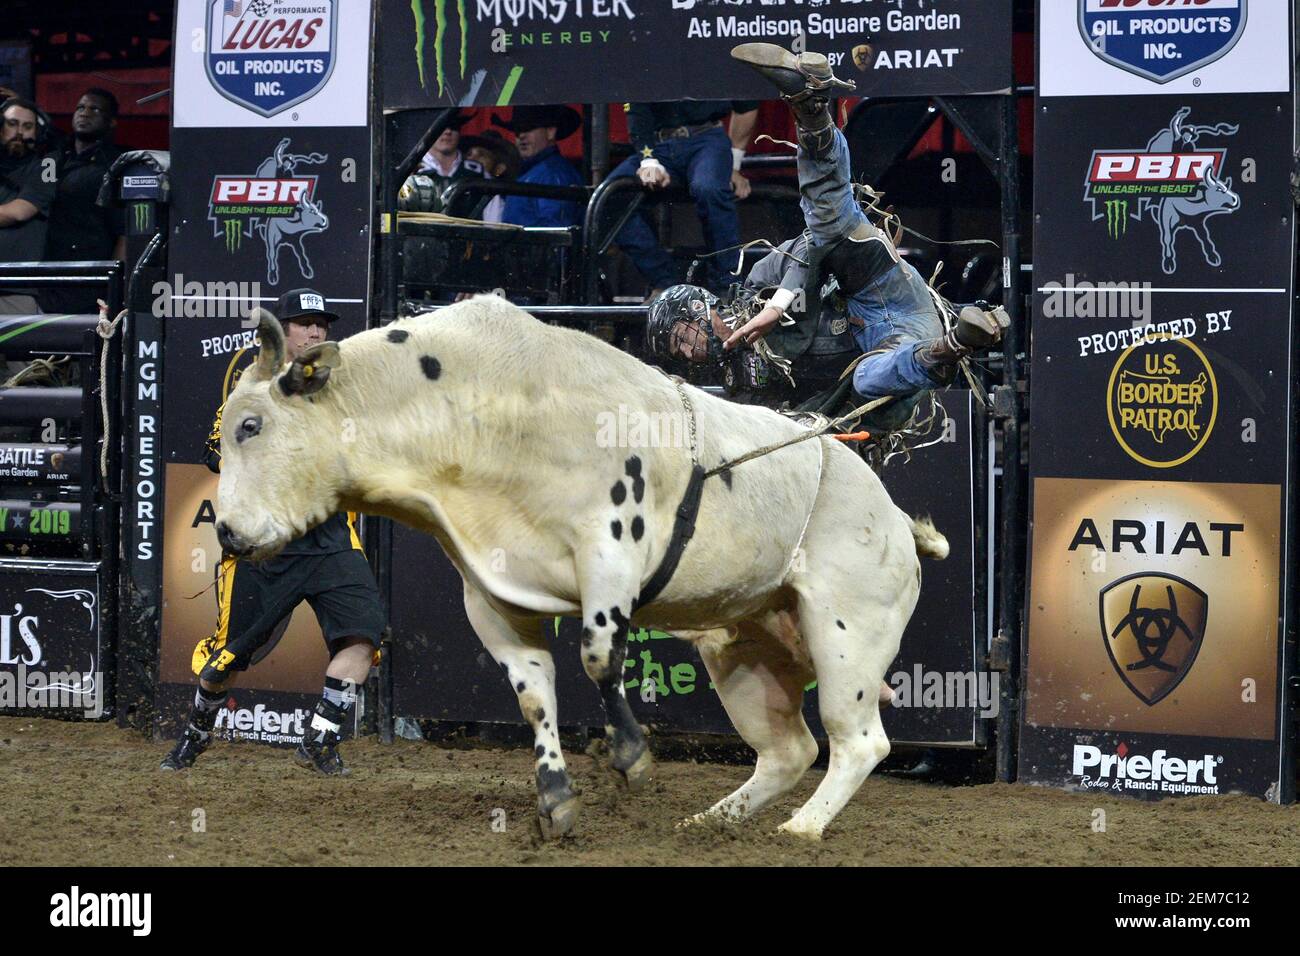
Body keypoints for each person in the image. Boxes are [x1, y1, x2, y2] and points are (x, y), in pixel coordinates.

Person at [646, 43, 1004, 431]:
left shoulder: (759, 282)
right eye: (679, 351)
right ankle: (951, 347)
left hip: (878, 286)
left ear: (702, 310)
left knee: (826, 219)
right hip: (896, 350)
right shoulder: (742, 382)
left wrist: (777, 306)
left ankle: (810, 107)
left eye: (683, 336)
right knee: (869, 379)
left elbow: (808, 244)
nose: (689, 351)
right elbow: (787, 419)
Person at [160, 289, 388, 776]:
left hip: (331, 541)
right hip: (266, 549)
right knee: (227, 660)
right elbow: (216, 453)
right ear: (280, 333)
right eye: (304, 323)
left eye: (321, 324)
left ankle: (319, 741)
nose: (316, 331)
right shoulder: (253, 389)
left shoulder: (344, 388)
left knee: (364, 636)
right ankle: (194, 736)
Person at [610, 99, 759, 297]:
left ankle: (728, 289)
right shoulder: (644, 67)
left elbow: (746, 105)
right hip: (657, 145)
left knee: (709, 189)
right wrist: (648, 159)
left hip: (706, 139)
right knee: (612, 199)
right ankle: (665, 283)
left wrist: (733, 166)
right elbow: (636, 107)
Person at [40, 88, 126, 315]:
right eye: (80, 107)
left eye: (94, 109)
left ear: (112, 122)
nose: (84, 113)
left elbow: (124, 232)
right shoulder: (55, 158)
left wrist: (115, 286)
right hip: (45, 274)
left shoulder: (114, 166)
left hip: (89, 278)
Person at [0, 97, 55, 314]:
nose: (20, 132)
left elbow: (20, 212)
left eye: (28, 126)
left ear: (38, 133)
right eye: (12, 124)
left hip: (16, 291)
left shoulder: (47, 167)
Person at [494, 105, 585, 228]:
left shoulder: (552, 173)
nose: (521, 136)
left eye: (528, 128)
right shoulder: (536, 171)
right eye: (517, 131)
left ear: (550, 132)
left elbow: (555, 231)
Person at [399, 111, 487, 218]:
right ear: (428, 130)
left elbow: (493, 216)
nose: (448, 131)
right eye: (441, 127)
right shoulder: (408, 169)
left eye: (454, 126)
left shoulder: (477, 171)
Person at [460, 129, 520, 225]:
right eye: (469, 154)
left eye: (481, 155)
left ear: (499, 169)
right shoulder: (459, 189)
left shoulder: (501, 201)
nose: (472, 159)